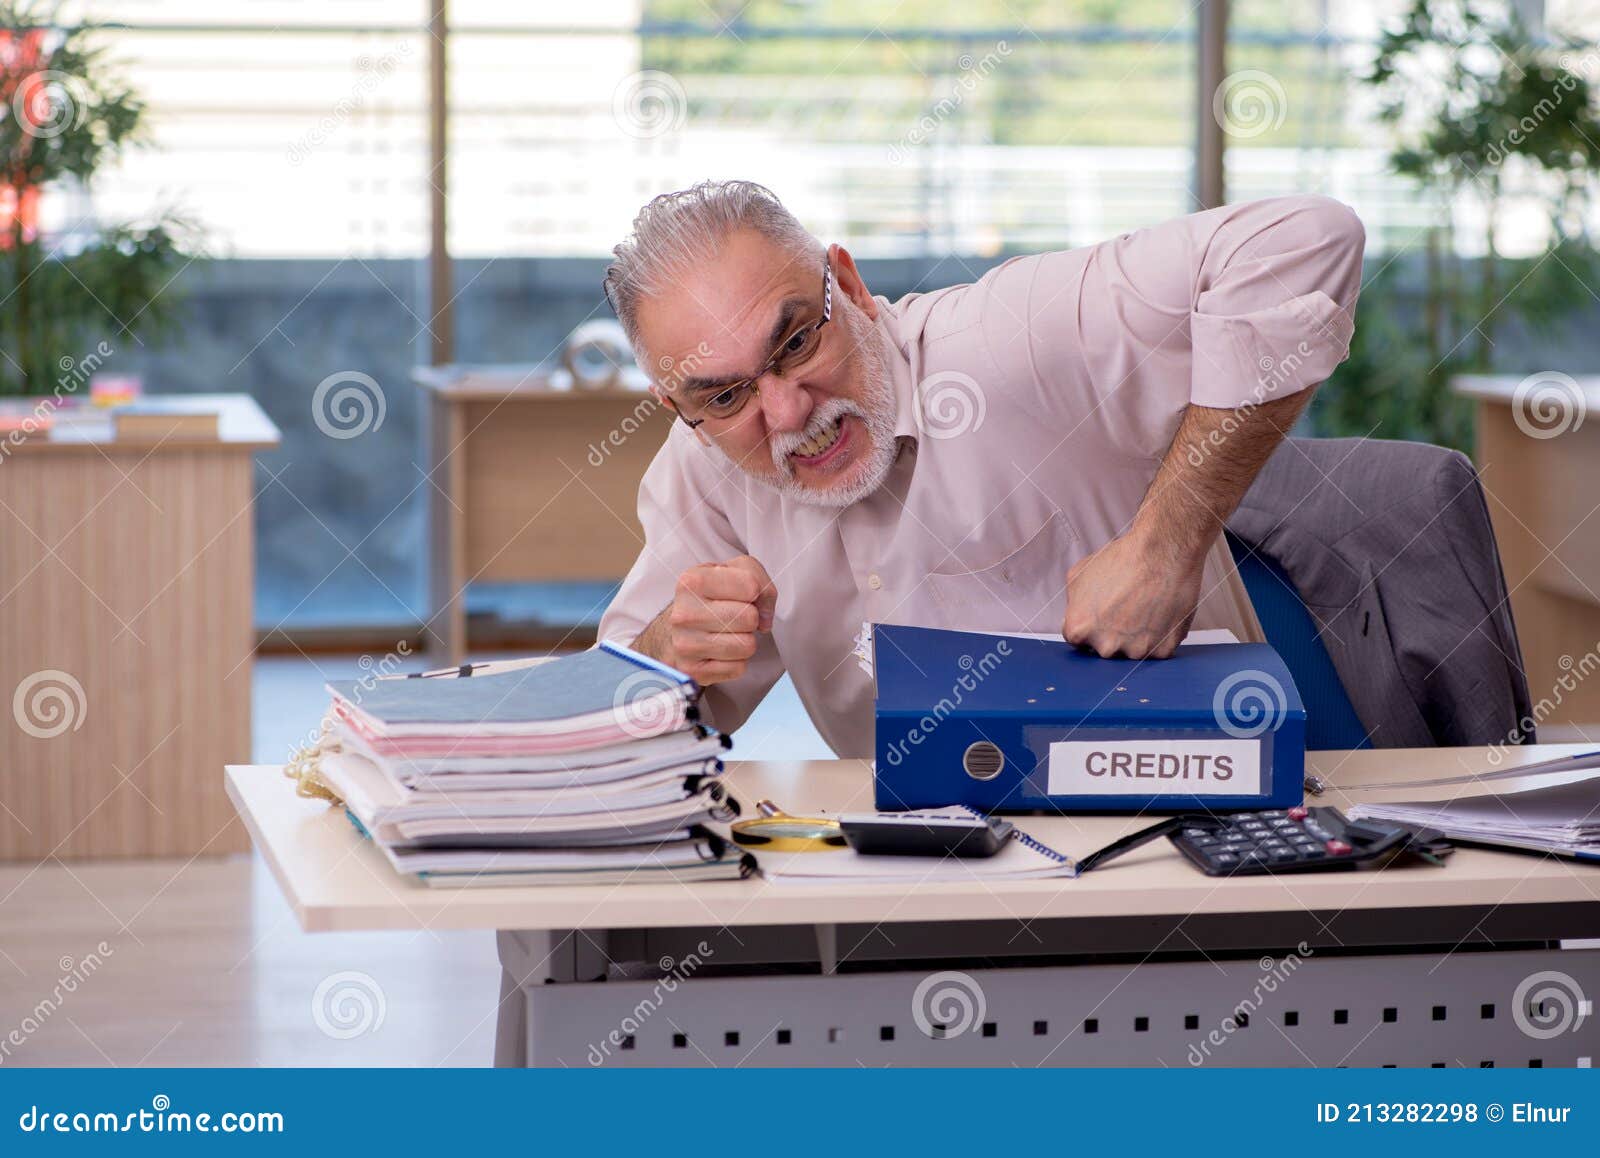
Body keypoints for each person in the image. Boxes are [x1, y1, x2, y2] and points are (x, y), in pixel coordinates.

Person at [597, 180, 1364, 756]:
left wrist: (1168, 539)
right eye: (728, 394)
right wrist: (670, 651)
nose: (790, 413)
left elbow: (1306, 240)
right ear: (680, 410)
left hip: (1180, 822)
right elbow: (605, 724)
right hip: (924, 875)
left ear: (852, 288)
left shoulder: (1008, 340)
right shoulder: (705, 467)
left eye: (797, 343)